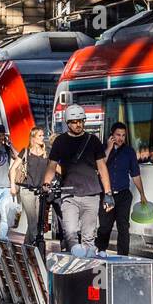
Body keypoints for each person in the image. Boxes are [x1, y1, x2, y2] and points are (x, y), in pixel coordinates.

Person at [41, 104, 113, 251]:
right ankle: (74, 263)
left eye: (81, 121)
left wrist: (108, 193)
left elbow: (102, 167)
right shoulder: (60, 141)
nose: (78, 124)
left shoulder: (93, 140)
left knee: (88, 236)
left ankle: (87, 270)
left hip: (91, 194)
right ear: (68, 123)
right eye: (74, 122)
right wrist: (46, 183)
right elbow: (52, 165)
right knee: (70, 232)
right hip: (69, 195)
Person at [96, 122, 148, 255]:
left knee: (123, 226)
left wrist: (142, 194)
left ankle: (123, 256)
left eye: (123, 135)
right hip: (107, 195)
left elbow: (135, 174)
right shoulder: (102, 149)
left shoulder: (129, 152)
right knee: (105, 227)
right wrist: (109, 148)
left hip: (123, 195)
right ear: (111, 135)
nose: (121, 138)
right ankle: (100, 251)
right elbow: (100, 166)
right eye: (118, 135)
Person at [13, 124, 49, 251]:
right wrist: (13, 186)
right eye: (40, 135)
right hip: (27, 191)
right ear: (33, 138)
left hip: (41, 192)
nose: (43, 138)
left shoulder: (46, 152)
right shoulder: (25, 152)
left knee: (37, 222)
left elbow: (54, 168)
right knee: (33, 221)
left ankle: (25, 248)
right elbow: (12, 169)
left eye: (43, 135)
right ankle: (37, 247)